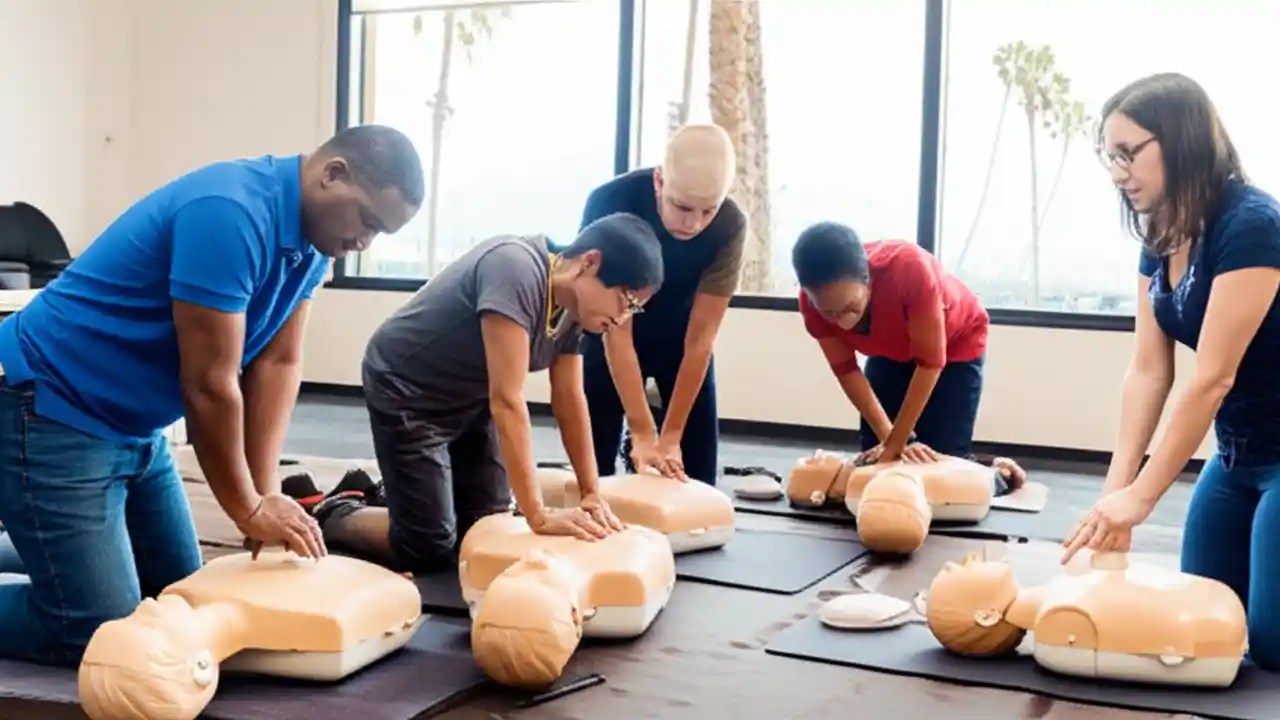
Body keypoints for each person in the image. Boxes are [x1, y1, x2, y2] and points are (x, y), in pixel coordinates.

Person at [0, 124, 424, 666]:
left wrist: (268, 496)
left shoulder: (317, 243)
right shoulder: (231, 212)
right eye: (367, 220)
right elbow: (208, 386)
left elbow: (277, 361)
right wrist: (245, 509)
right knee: (93, 627)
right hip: (52, 409)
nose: (365, 242)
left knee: (179, 594)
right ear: (332, 174)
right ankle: (57, 556)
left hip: (134, 428)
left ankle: (51, 542)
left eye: (381, 233)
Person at [297, 213, 664, 575]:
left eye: (635, 310)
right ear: (590, 262)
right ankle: (335, 511)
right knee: (429, 547)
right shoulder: (515, 268)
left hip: (470, 398)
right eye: (626, 301)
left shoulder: (575, 311)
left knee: (485, 527)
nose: (623, 319)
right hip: (409, 389)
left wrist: (591, 493)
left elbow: (569, 399)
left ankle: (389, 493)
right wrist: (537, 514)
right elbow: (508, 401)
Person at [1059, 73, 1280, 670]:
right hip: (1235, 455)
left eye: (1129, 153)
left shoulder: (1252, 224)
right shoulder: (1160, 234)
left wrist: (1145, 499)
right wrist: (1116, 495)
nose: (1118, 171)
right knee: (1209, 627)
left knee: (1274, 644)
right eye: (1111, 156)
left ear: (1180, 141)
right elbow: (1148, 371)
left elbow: (1212, 377)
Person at [577, 123, 747, 485]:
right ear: (659, 181)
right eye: (682, 207)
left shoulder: (730, 225)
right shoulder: (611, 201)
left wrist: (669, 438)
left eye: (707, 211)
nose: (694, 223)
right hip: (610, 328)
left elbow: (700, 341)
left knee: (697, 479)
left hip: (681, 336)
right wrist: (641, 431)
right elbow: (617, 332)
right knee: (594, 472)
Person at [793, 222, 1024, 484]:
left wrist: (897, 443)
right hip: (890, 352)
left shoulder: (908, 269)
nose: (842, 321)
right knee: (874, 471)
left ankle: (999, 472)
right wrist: (888, 437)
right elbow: (847, 371)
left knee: (938, 475)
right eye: (830, 313)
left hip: (955, 346)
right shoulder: (810, 305)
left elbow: (929, 363)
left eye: (850, 308)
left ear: (867, 281)